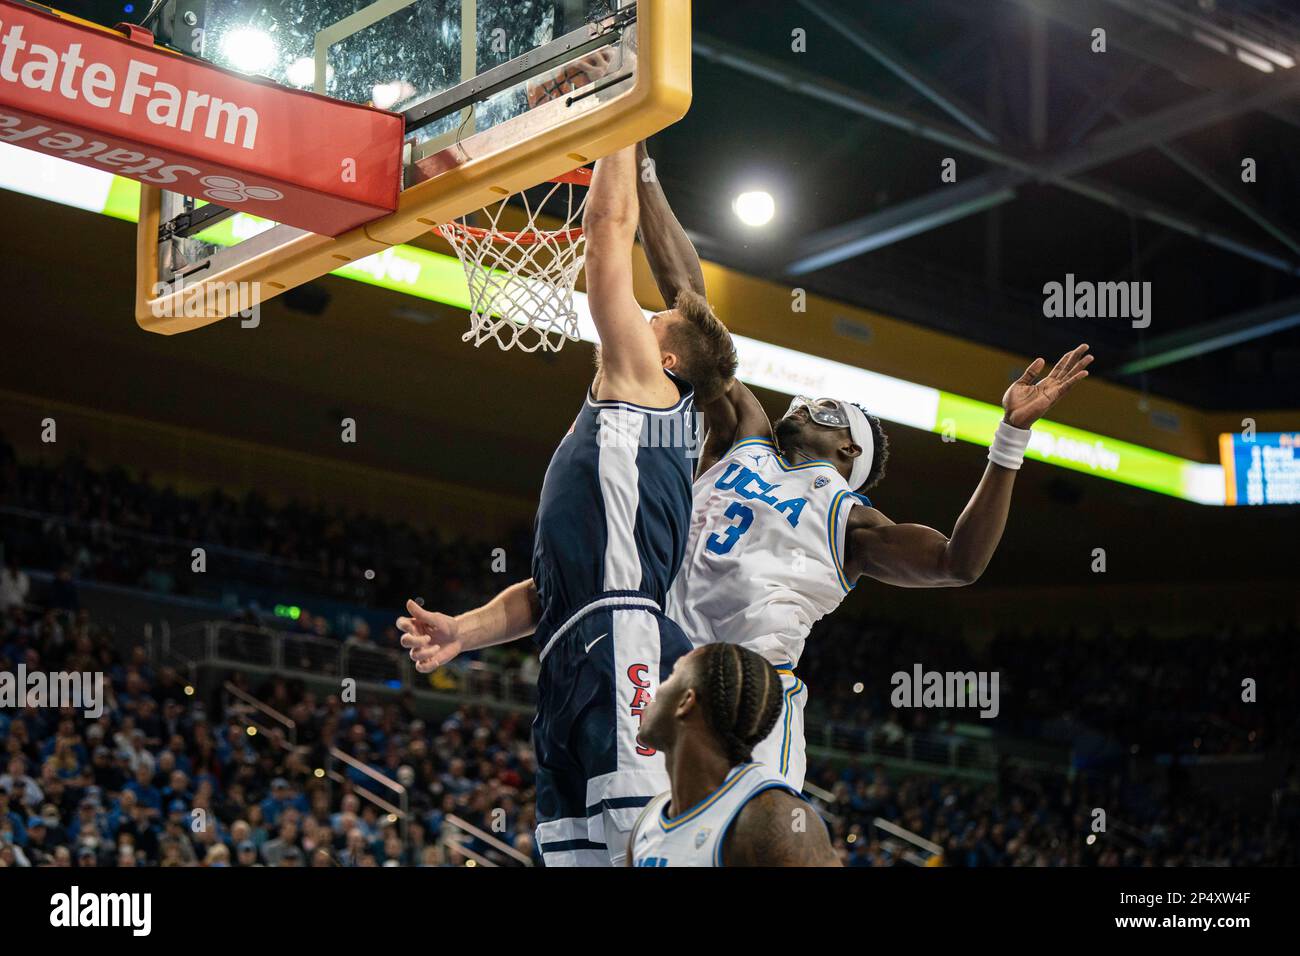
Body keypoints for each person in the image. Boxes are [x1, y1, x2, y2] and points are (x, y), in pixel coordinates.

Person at [399, 145, 737, 867]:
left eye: (653, 322)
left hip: (624, 645)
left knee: (638, 851)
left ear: (668, 363)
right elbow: (546, 594)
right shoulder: (643, 416)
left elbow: (607, 230)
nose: (638, 318)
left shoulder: (647, 384)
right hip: (575, 648)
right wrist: (463, 630)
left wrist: (618, 123)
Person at [627, 643, 839, 867]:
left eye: (670, 677)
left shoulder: (775, 817)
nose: (655, 690)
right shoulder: (649, 819)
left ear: (686, 702)